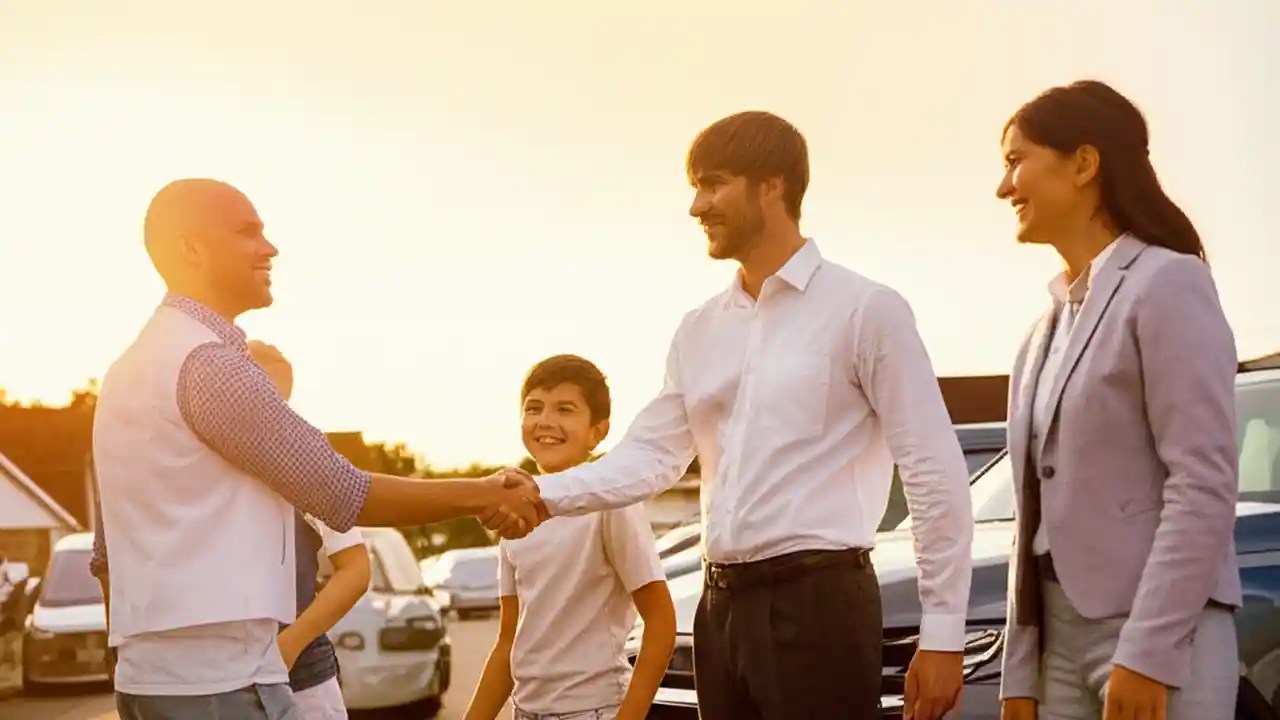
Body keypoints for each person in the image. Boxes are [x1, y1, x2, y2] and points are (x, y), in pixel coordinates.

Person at [525, 112, 974, 719]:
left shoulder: (867, 310)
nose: (696, 207)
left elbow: (932, 469)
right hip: (719, 608)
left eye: (713, 184)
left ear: (772, 185)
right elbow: (649, 456)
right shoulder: (699, 329)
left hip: (820, 606)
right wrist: (538, 494)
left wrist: (943, 632)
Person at [90, 178, 545, 719]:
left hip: (151, 683)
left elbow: (106, 559)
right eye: (247, 232)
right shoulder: (207, 364)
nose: (270, 248)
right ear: (191, 248)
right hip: (222, 685)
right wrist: (485, 493)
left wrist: (142, 665)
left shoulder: (128, 372)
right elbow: (344, 492)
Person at [995, 80, 1241, 720]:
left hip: (1157, 635)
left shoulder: (1168, 282)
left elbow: (1203, 482)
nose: (1004, 187)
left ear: (1083, 163)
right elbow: (1030, 516)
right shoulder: (1041, 333)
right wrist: (1019, 675)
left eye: (1016, 161)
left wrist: (1148, 652)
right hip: (1056, 650)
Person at [465, 355, 676, 720]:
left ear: (598, 431)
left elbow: (661, 625)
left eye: (565, 409)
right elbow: (507, 643)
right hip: (526, 711)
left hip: (592, 710)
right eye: (534, 408)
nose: (546, 420)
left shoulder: (611, 505)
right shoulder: (516, 511)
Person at [250, 340, 371, 720]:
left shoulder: (306, 461)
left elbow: (356, 569)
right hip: (213, 684)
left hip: (303, 680)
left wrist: (288, 646)